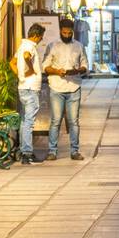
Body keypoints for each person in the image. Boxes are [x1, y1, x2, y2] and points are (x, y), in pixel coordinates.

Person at [42, 16, 88, 160]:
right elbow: (45, 67)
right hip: (56, 87)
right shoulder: (52, 46)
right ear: (60, 31)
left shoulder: (79, 46)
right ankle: (52, 151)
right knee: (56, 120)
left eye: (69, 33)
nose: (67, 35)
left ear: (72, 31)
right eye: (65, 33)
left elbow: (85, 64)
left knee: (74, 121)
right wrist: (58, 71)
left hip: (74, 86)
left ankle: (74, 150)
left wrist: (79, 70)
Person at [13, 22, 45, 165]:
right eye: (41, 37)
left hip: (23, 87)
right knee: (29, 122)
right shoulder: (30, 47)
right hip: (31, 88)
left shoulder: (21, 46)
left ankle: (23, 150)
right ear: (36, 36)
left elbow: (12, 63)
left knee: (25, 120)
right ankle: (27, 153)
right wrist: (31, 71)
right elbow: (27, 57)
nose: (41, 40)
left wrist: (21, 76)